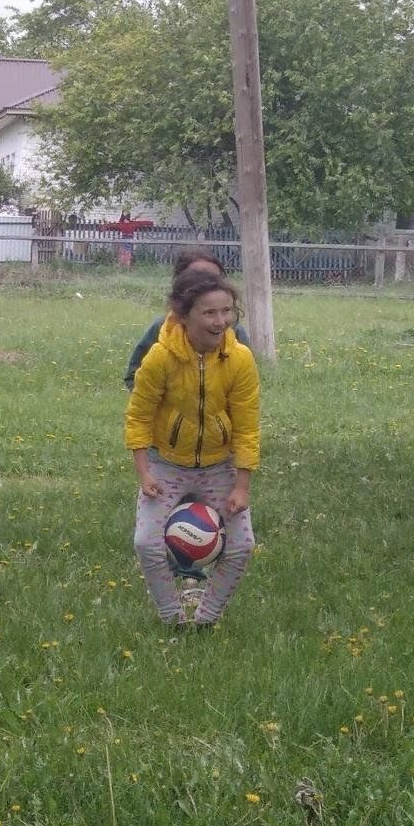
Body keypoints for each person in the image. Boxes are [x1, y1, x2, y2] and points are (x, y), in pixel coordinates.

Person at [125, 269, 259, 627]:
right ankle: (172, 618)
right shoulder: (159, 358)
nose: (221, 322)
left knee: (242, 546)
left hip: (220, 466)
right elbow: (138, 417)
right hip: (165, 465)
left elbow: (247, 425)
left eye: (227, 312)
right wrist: (144, 473)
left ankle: (205, 619)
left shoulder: (241, 359)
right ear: (184, 316)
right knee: (146, 542)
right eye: (209, 313)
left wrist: (242, 484)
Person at [123, 247, 250, 391]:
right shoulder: (162, 329)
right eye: (199, 280)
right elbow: (134, 376)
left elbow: (246, 385)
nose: (208, 287)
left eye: (215, 279)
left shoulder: (233, 331)